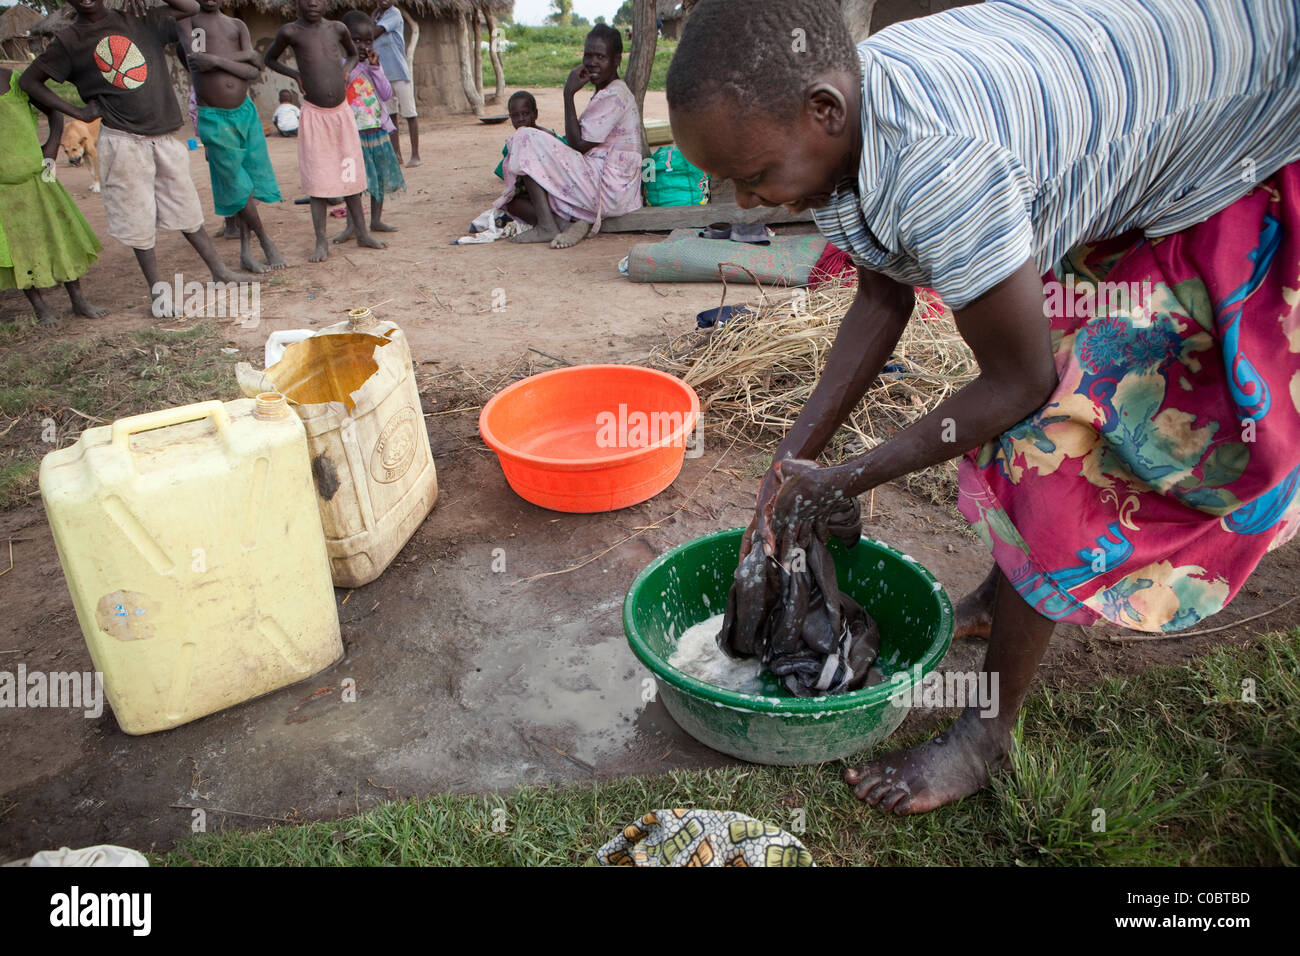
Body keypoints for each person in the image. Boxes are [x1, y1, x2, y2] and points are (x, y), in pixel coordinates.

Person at [666, 0, 1300, 814]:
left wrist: (849, 478)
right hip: (1133, 114)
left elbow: (1017, 383)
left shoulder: (941, 164)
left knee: (1052, 458)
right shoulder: (837, 121)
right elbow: (881, 294)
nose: (744, 203)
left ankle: (987, 735)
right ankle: (1008, 597)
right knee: (1039, 394)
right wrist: (789, 463)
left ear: (825, 109)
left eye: (752, 178)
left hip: (1245, 131)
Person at [21, 0, 256, 317]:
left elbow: (190, 6)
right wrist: (77, 111)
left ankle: (219, 271)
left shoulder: (142, 21)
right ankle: (158, 295)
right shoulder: (70, 40)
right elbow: (28, 81)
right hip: (123, 141)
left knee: (186, 208)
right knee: (139, 219)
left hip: (164, 136)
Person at [493, 23, 643, 249]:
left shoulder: (615, 94)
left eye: (600, 56)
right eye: (588, 55)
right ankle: (568, 223)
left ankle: (547, 225)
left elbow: (578, 145)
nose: (592, 62)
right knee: (516, 202)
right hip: (608, 184)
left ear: (616, 59)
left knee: (524, 138)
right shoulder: (606, 91)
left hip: (609, 188)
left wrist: (568, 93)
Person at [264, 0, 384, 262]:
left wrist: (346, 70)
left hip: (341, 113)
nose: (313, 3)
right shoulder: (290, 32)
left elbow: (353, 54)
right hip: (315, 115)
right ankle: (321, 241)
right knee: (317, 179)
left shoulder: (338, 28)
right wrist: (295, 75)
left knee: (350, 172)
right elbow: (269, 59)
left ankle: (361, 232)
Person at [179, 0, 285, 273]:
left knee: (249, 180)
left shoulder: (237, 24)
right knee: (238, 185)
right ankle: (264, 240)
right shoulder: (190, 22)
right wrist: (240, 57)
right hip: (215, 117)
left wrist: (217, 60)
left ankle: (246, 253)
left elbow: (255, 68)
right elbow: (196, 61)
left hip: (245, 112)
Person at [0, 65, 105, 326]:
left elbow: (53, 109)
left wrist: (50, 146)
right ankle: (40, 308)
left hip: (36, 177)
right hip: (2, 190)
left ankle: (78, 300)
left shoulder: (14, 81)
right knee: (16, 250)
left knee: (59, 237)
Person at [335, 11, 402, 243]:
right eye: (356, 40)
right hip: (352, 135)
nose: (362, 46)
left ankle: (376, 219)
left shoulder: (374, 64)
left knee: (379, 179)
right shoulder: (341, 66)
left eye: (367, 40)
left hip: (377, 130)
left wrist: (375, 68)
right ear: (343, 40)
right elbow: (337, 95)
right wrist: (352, 69)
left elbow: (386, 94)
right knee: (352, 181)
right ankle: (351, 225)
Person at [372, 0, 419, 167]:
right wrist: (374, 15)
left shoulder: (394, 13)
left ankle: (415, 155)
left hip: (399, 73)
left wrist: (372, 18)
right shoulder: (378, 15)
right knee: (390, 115)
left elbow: (374, 33)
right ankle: (396, 154)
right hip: (383, 75)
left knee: (410, 114)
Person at [493, 91, 565, 180]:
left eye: (525, 114)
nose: (520, 119)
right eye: (515, 116)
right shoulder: (514, 142)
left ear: (535, 114)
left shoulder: (546, 136)